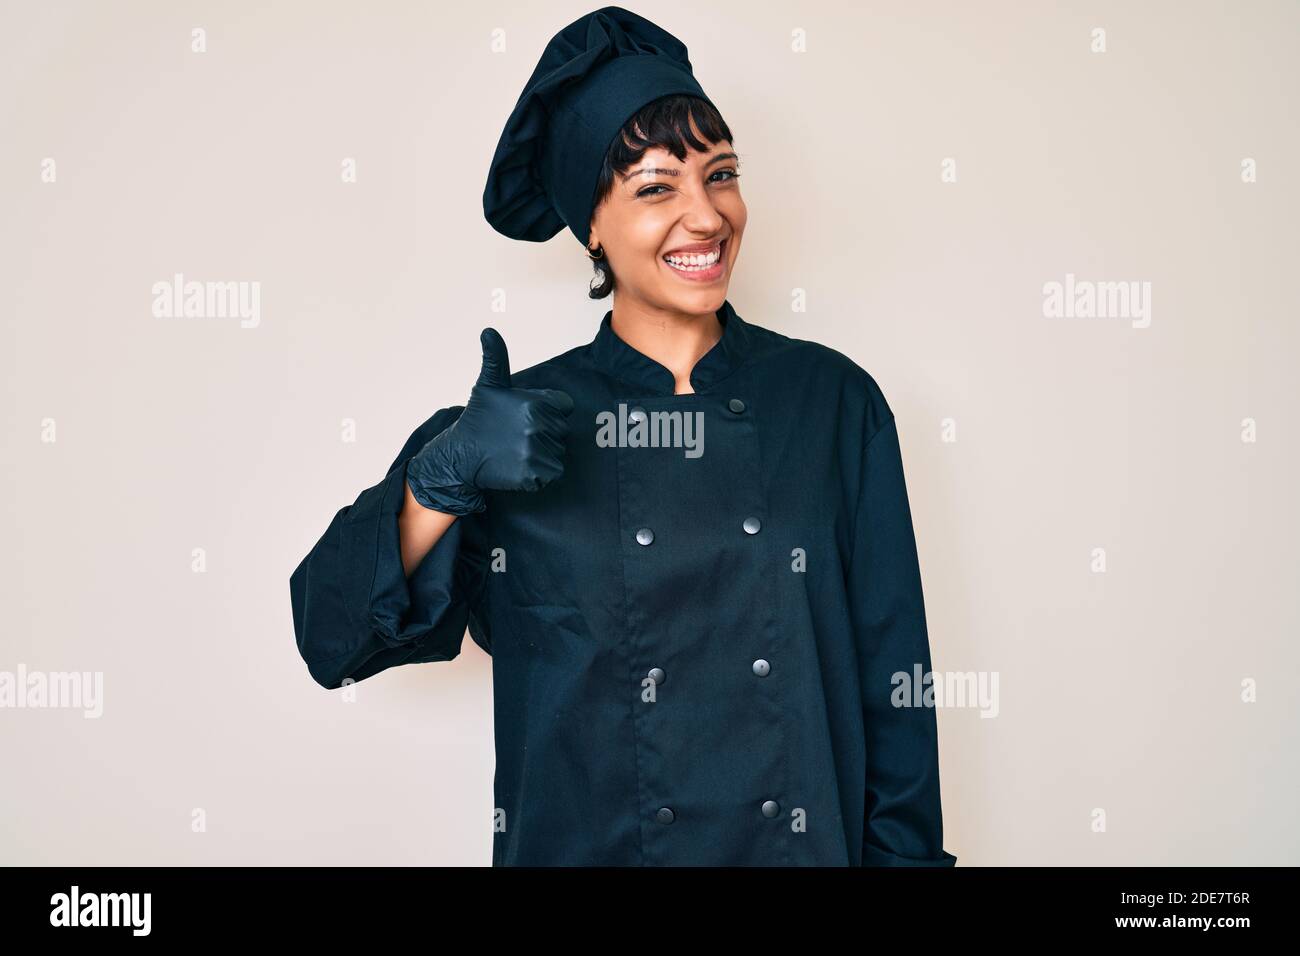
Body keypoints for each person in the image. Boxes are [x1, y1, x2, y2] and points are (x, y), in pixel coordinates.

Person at [289, 5, 957, 867]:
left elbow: (895, 691)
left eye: (720, 175)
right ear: (592, 225)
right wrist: (438, 479)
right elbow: (328, 637)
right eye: (655, 187)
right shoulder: (513, 426)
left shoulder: (833, 404)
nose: (707, 216)